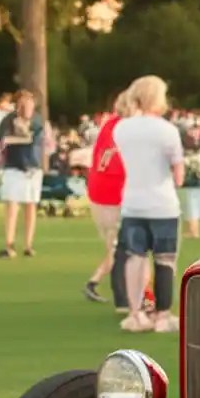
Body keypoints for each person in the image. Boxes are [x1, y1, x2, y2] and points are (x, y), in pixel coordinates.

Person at [113, 75, 185, 333]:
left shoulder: (121, 128)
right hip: (162, 203)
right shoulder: (167, 130)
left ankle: (137, 314)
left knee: (135, 258)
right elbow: (178, 174)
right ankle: (163, 316)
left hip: (133, 201)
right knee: (165, 259)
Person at [84, 92, 133, 305]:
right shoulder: (127, 128)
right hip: (114, 194)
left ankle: (97, 283)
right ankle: (128, 294)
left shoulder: (108, 125)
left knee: (114, 246)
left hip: (97, 192)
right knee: (126, 248)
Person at [0, 90, 49, 258]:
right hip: (13, 167)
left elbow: (42, 141)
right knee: (11, 206)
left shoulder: (38, 121)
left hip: (32, 168)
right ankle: (9, 244)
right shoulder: (8, 121)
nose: (26, 108)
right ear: (17, 106)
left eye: (29, 104)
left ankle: (28, 245)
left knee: (30, 205)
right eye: (23, 104)